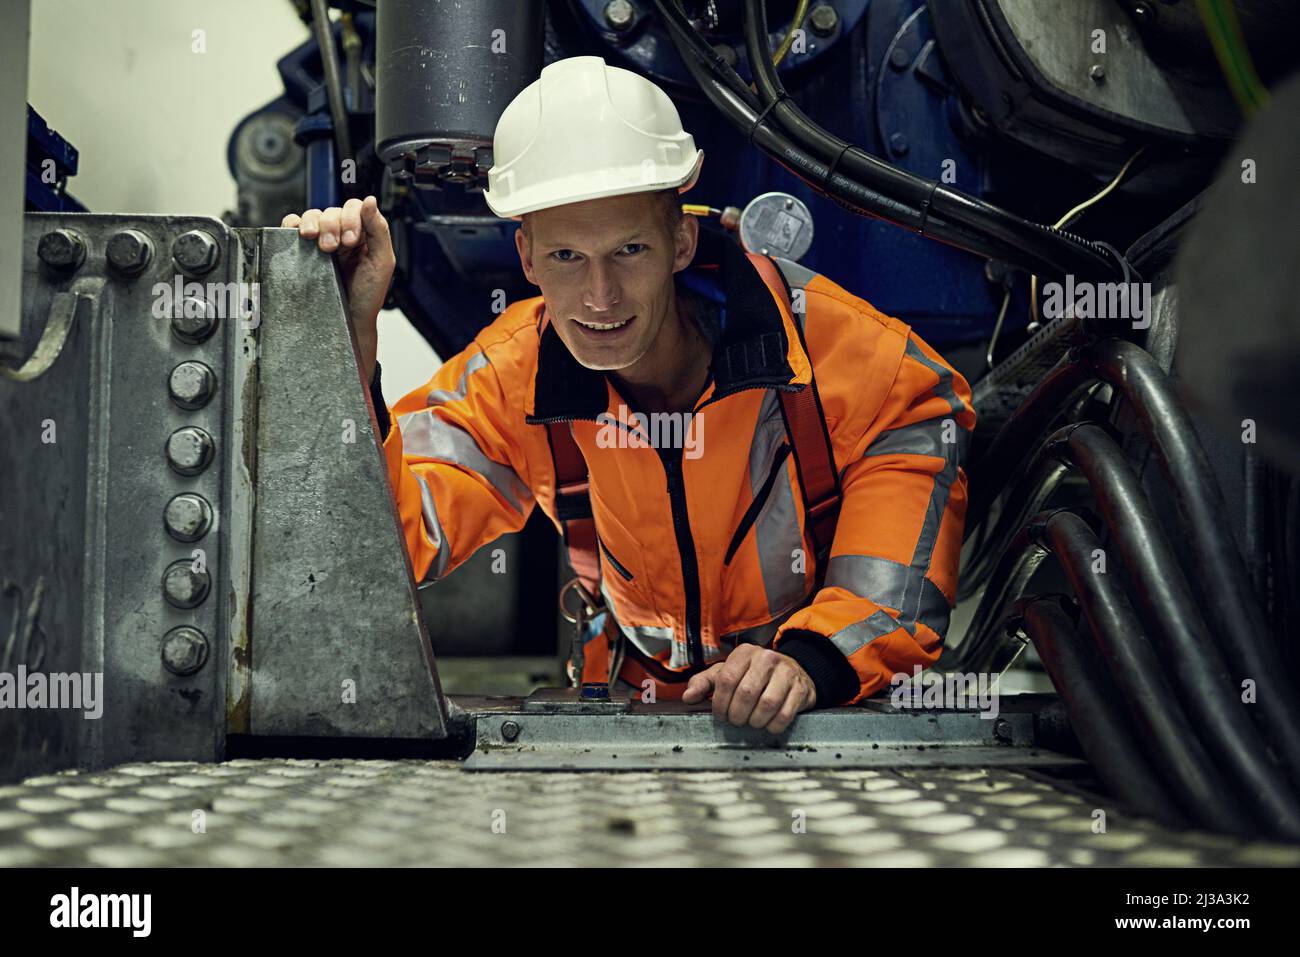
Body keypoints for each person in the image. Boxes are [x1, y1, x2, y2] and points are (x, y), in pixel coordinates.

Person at [281, 56, 975, 734]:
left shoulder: (841, 358)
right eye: (566, 258)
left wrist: (809, 660)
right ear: (526, 258)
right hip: (632, 720)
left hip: (817, 720)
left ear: (680, 240)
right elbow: (384, 541)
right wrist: (350, 343)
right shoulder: (511, 377)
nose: (600, 296)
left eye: (630, 251)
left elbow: (899, 559)